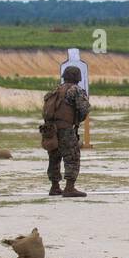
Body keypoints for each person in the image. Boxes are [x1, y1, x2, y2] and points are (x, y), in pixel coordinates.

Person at [43, 66, 91, 197]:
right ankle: (69, 188)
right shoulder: (75, 90)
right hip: (66, 129)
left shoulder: (55, 90)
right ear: (78, 77)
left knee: (54, 157)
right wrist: (76, 121)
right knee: (72, 157)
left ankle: (54, 187)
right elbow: (84, 109)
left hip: (50, 130)